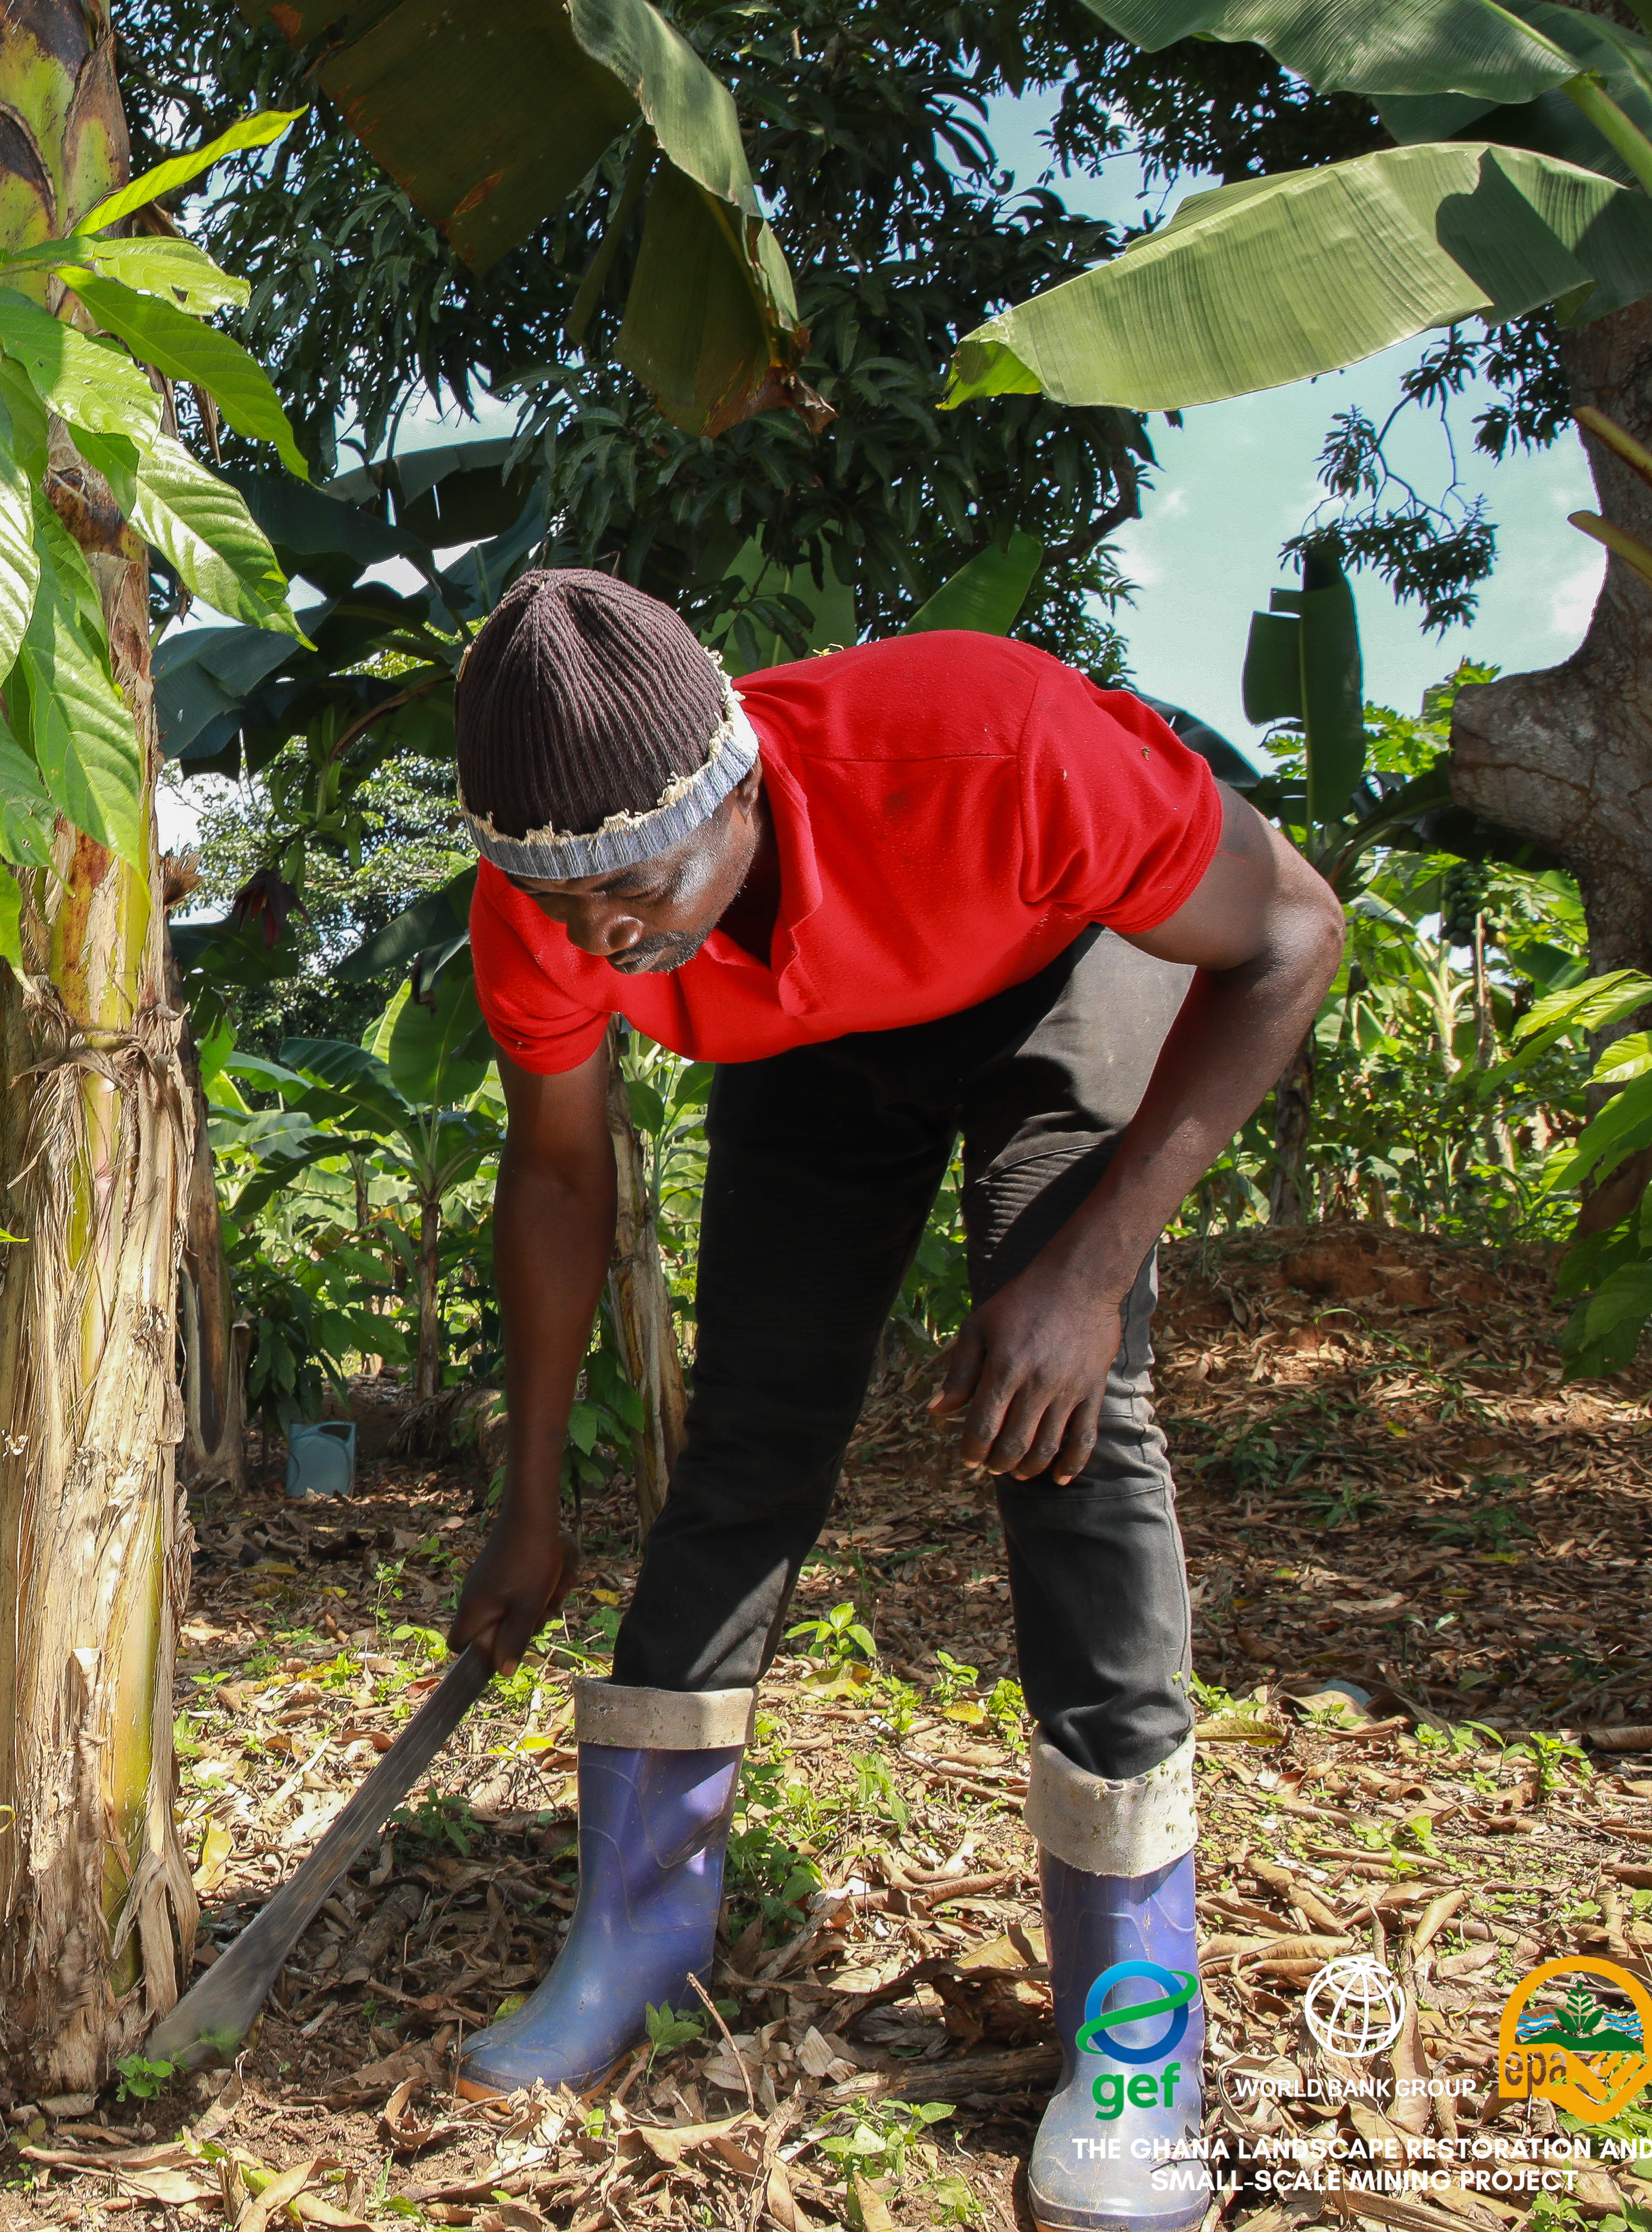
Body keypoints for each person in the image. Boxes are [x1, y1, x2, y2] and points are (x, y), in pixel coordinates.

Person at [439, 569, 1339, 2232]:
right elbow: (559, 1180)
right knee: (750, 1439)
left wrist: (1086, 1278)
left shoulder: (996, 752)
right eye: (562, 907)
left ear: (739, 790)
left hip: (1059, 974)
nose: (600, 940)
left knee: (1070, 1439)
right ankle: (634, 1938)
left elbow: (1294, 932)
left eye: (632, 890)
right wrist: (533, 1502)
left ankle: (1137, 2024)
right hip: (812, 1042)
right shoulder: (552, 907)